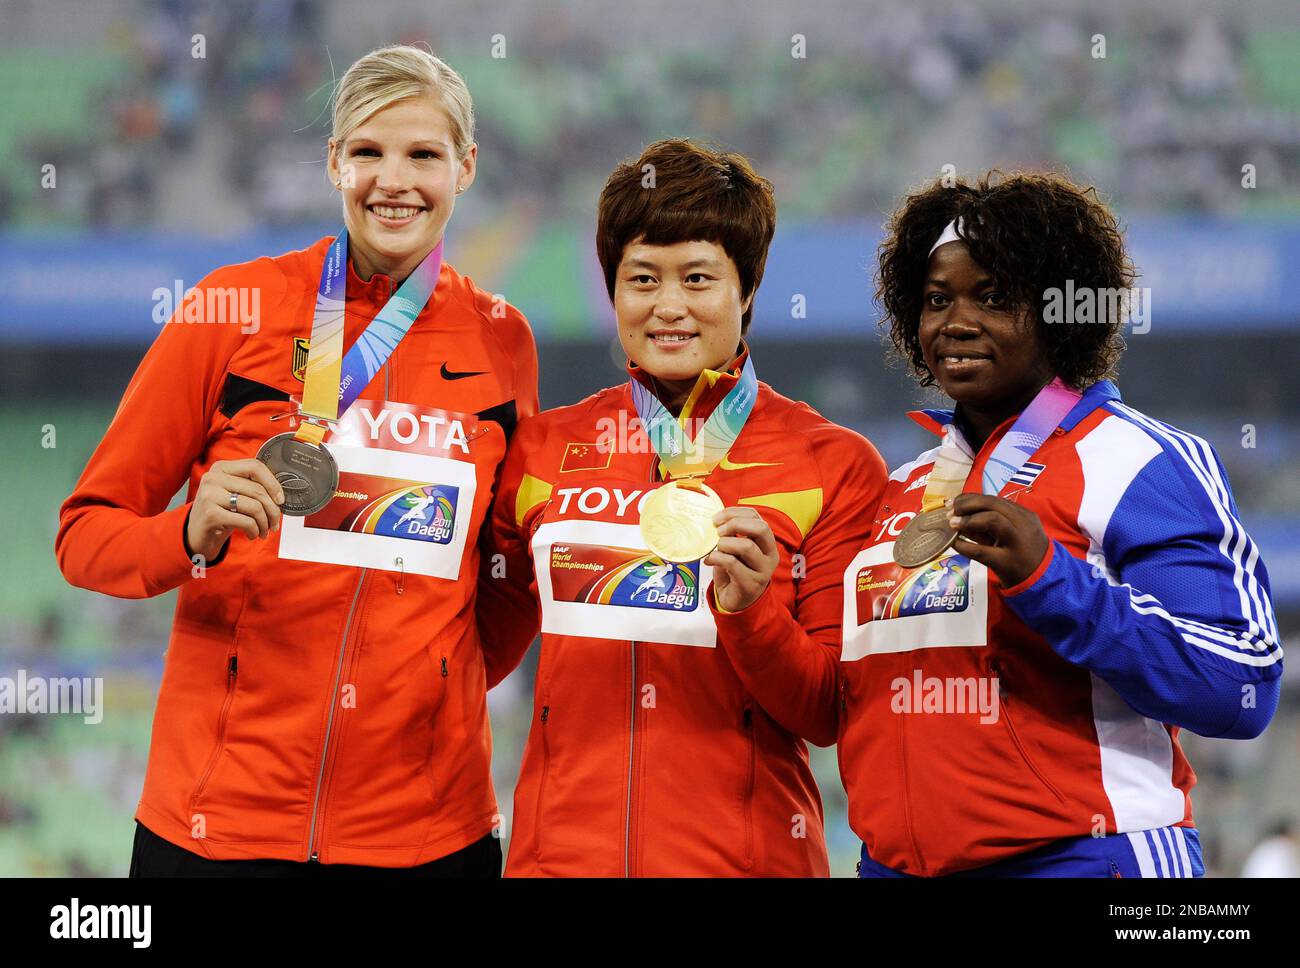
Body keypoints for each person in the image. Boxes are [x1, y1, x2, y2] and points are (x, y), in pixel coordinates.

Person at [56, 45, 538, 876]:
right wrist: (185, 533)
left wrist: (432, 680)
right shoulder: (233, 306)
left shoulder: (503, 338)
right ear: (332, 163)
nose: (395, 180)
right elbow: (85, 536)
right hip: (214, 823)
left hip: (428, 834)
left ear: (465, 166)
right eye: (367, 152)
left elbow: (507, 577)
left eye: (424, 154)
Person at [837, 171, 1282, 877]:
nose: (954, 322)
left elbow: (1242, 684)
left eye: (993, 297)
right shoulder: (901, 490)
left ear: (1061, 314)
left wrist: (1053, 581)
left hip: (1090, 859)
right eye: (935, 300)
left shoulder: (1140, 460)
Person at [476, 139, 887, 876]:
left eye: (698, 278)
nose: (669, 307)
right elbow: (470, 655)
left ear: (748, 290)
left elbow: (829, 710)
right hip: (558, 863)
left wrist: (751, 610)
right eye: (642, 279)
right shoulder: (543, 449)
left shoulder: (834, 463)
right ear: (613, 290)